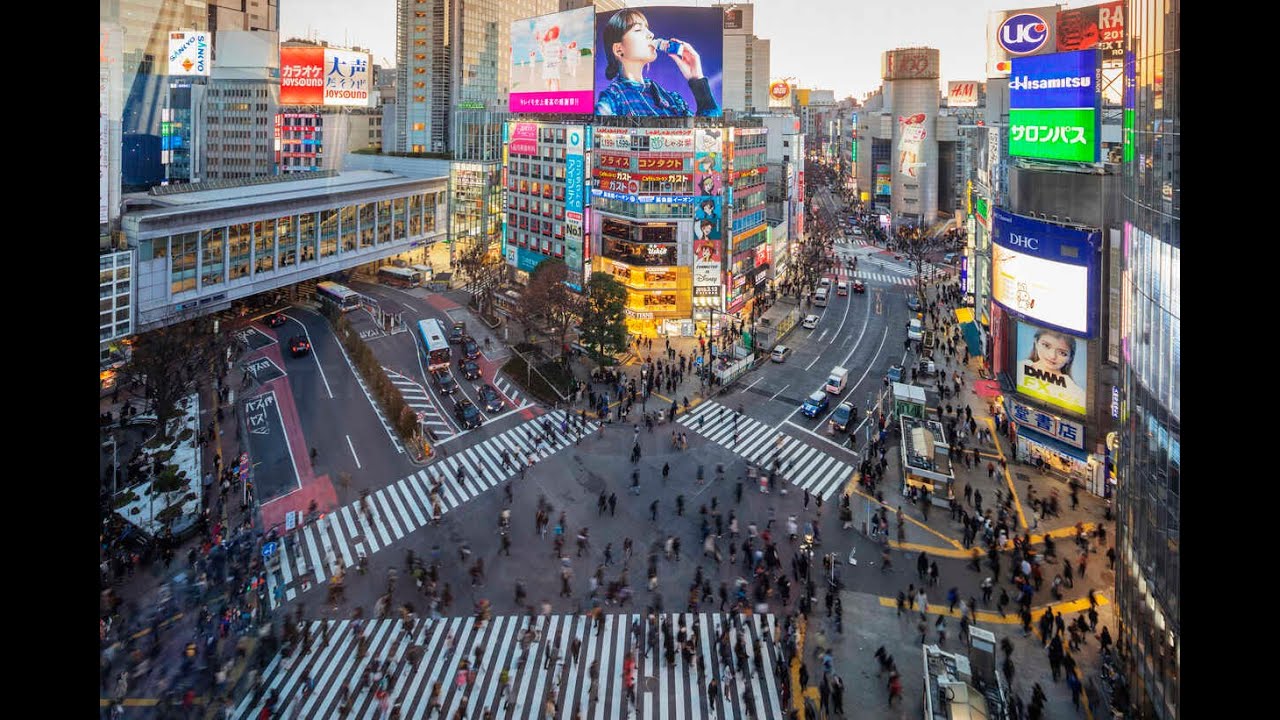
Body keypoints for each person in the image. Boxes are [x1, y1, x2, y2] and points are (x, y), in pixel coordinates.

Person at [595, 9, 719, 117]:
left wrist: (697, 78)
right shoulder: (611, 100)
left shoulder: (671, 99)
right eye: (638, 29)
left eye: (647, 29)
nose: (651, 34)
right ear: (618, 49)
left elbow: (708, 132)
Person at [1019, 327, 1085, 411]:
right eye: (1046, 345)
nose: (1052, 356)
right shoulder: (1020, 367)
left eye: (1062, 353)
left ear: (1070, 358)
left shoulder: (1076, 393)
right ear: (1036, 342)